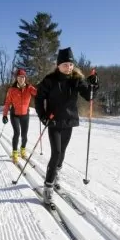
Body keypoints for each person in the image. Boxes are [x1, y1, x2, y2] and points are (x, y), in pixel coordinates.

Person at [35, 47, 99, 205]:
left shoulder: (76, 79)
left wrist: (93, 85)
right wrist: (43, 117)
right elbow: (38, 99)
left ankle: (56, 173)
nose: (68, 67)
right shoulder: (49, 80)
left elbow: (88, 96)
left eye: (70, 64)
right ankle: (48, 188)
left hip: (69, 121)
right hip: (54, 121)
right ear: (58, 65)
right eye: (65, 64)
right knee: (56, 153)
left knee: (62, 153)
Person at [2, 68, 37, 164]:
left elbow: (38, 94)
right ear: (16, 78)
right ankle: (14, 153)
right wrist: (4, 115)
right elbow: (7, 103)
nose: (21, 79)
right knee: (17, 133)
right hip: (15, 115)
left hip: (25, 115)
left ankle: (22, 150)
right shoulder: (11, 90)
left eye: (23, 77)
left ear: (25, 78)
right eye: (19, 77)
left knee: (24, 135)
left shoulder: (29, 88)